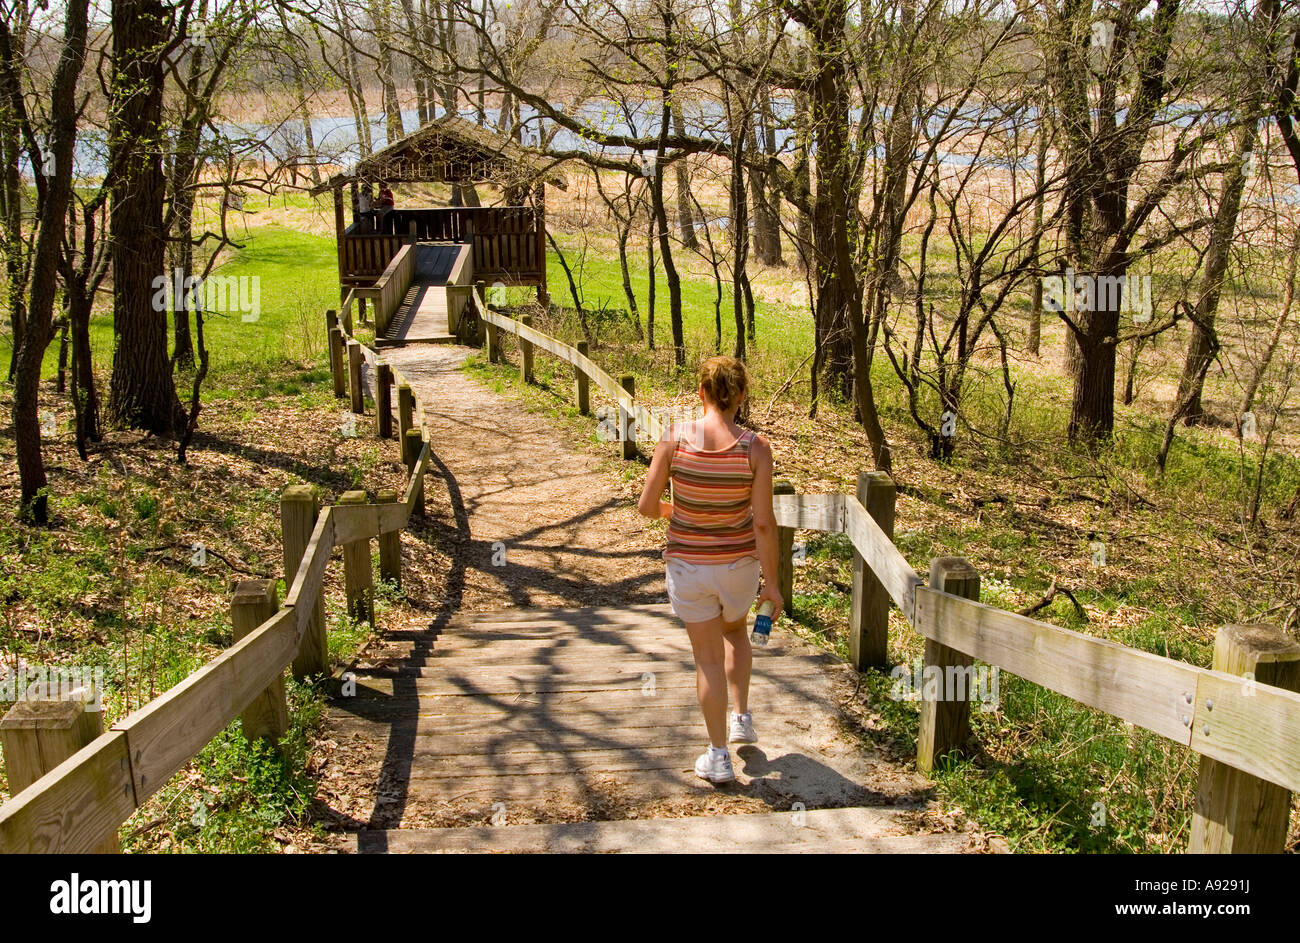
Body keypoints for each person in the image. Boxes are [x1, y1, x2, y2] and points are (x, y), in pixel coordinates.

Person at [637, 356, 782, 784]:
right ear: (740, 396)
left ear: (699, 393)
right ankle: (741, 717)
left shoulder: (674, 439)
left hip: (689, 567)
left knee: (706, 660)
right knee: (735, 631)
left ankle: (718, 757)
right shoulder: (756, 448)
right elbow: (762, 522)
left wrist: (676, 510)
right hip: (737, 568)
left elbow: (646, 507)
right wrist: (771, 584)